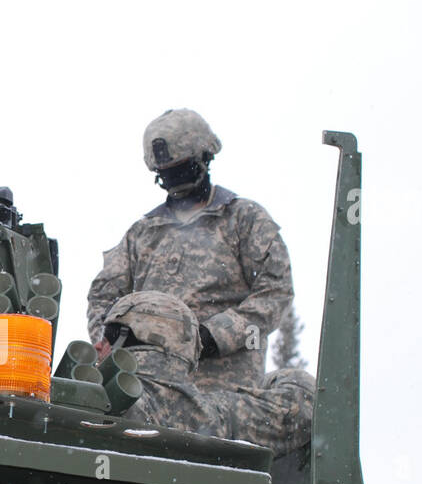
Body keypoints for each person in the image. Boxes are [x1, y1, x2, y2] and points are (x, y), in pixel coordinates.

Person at [88, 108, 294, 392]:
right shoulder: (142, 233)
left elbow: (276, 293)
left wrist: (212, 336)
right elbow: (103, 295)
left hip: (226, 395)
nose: (175, 181)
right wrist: (110, 338)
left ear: (205, 157)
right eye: (167, 174)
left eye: (182, 169)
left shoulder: (244, 219)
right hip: (148, 390)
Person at [102, 291, 314, 456]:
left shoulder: (95, 398)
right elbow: (304, 401)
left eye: (107, 339)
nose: (96, 346)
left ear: (121, 344)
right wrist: (265, 382)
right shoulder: (209, 415)